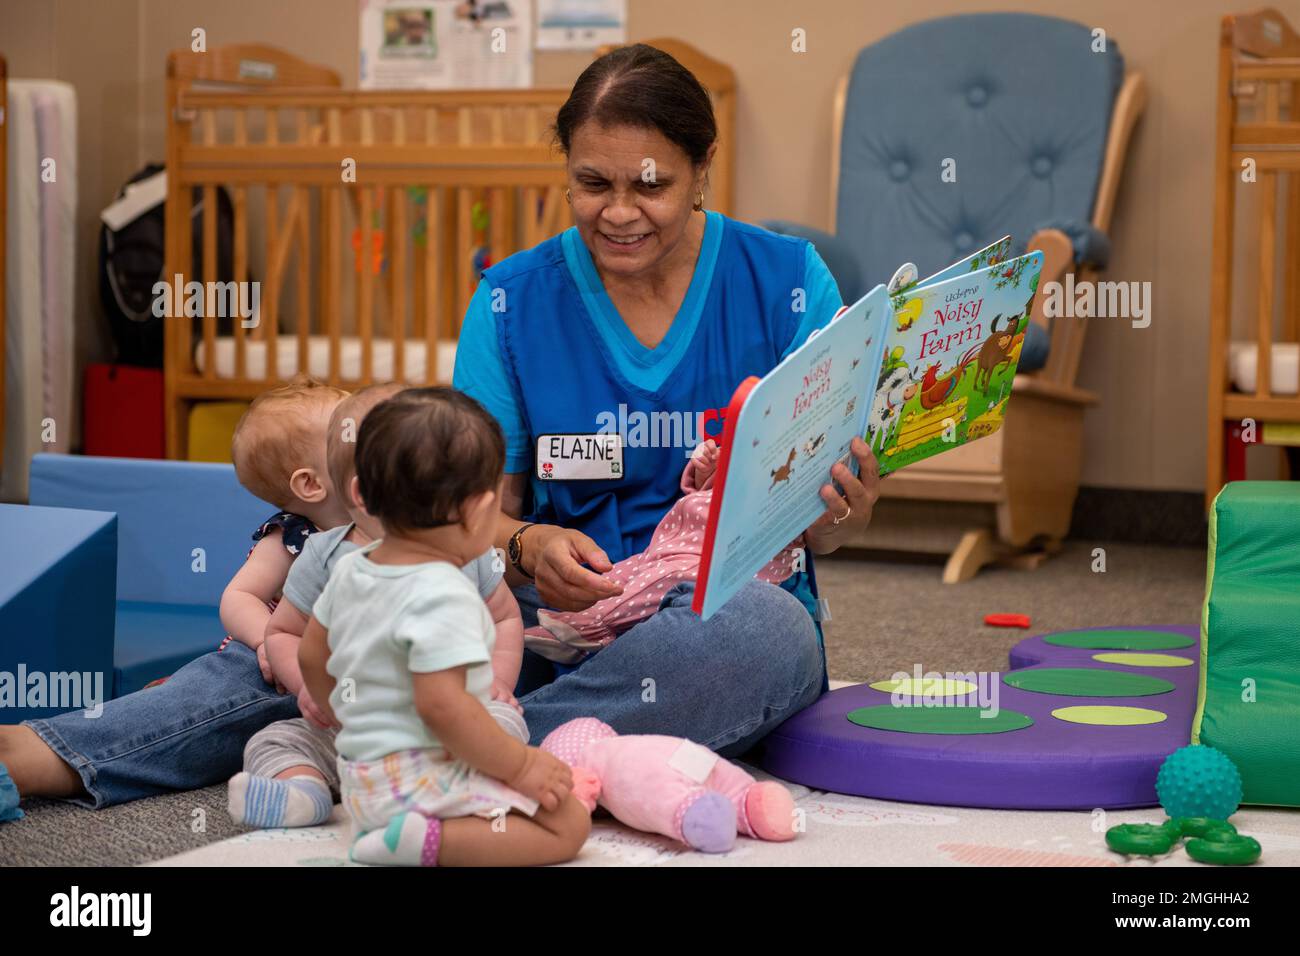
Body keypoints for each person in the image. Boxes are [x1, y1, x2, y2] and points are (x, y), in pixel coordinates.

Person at [453, 43, 881, 754]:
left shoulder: (789, 284)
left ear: (702, 166)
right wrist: (528, 546)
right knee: (390, 589)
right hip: (554, 627)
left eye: (650, 186)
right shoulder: (508, 302)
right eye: (592, 183)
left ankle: (489, 748)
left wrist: (844, 516)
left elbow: (820, 532)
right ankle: (578, 741)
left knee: (771, 636)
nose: (619, 214)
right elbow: (469, 525)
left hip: (717, 627)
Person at [299, 388, 590, 866]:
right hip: (419, 779)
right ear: (479, 512)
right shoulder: (447, 593)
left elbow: (312, 655)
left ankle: (398, 831)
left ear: (359, 494)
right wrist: (521, 765)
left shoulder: (351, 569)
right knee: (569, 822)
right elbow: (443, 707)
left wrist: (340, 710)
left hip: (358, 777)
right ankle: (425, 844)